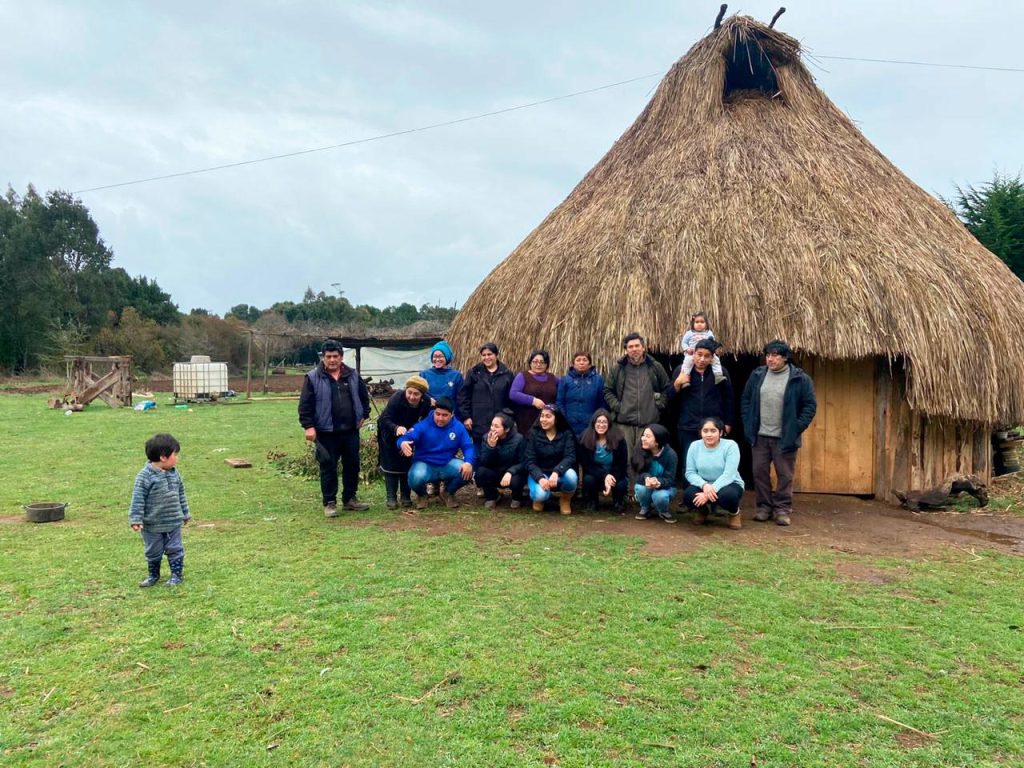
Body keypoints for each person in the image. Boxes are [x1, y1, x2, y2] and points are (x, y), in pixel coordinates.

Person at [740, 339, 817, 526]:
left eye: (774, 355)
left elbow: (809, 406)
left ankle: (782, 509)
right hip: (760, 435)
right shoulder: (757, 375)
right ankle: (764, 507)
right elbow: (746, 400)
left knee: (785, 475)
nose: (770, 359)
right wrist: (748, 423)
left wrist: (796, 427)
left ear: (785, 358)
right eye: (767, 355)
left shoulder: (799, 378)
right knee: (759, 473)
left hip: (785, 437)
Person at [298, 340, 371, 516]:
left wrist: (363, 415)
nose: (332, 360)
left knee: (352, 465)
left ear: (341, 357)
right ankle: (330, 502)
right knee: (328, 466)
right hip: (326, 431)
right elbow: (305, 405)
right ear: (323, 357)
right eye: (328, 356)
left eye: (335, 356)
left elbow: (364, 397)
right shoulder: (313, 377)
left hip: (350, 431)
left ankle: (350, 499)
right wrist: (308, 426)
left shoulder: (353, 375)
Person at [129, 433, 191, 587]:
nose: (177, 458)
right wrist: (136, 519)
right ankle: (153, 575)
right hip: (152, 525)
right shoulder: (144, 477)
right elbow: (138, 499)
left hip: (173, 523)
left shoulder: (175, 474)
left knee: (175, 549)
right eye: (175, 455)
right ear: (163, 457)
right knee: (153, 552)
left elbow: (181, 494)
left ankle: (176, 575)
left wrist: (185, 512)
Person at [604, 333, 670, 468]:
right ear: (626, 349)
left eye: (637, 346)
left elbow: (666, 388)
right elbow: (607, 390)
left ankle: (642, 487)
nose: (634, 349)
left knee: (644, 457)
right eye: (630, 346)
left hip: (648, 421)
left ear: (643, 347)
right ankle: (628, 488)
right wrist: (618, 407)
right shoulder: (618, 368)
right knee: (625, 457)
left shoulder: (655, 367)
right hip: (624, 422)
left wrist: (658, 405)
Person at [398, 397, 476, 509]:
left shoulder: (458, 427)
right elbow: (407, 436)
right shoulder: (424, 425)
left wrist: (468, 462)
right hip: (425, 464)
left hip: (446, 464)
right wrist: (402, 442)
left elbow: (468, 446)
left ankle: (448, 492)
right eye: (437, 414)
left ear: (452, 414)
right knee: (415, 477)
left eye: (444, 415)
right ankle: (422, 495)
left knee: (468, 470)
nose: (440, 418)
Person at [666, 338, 735, 463]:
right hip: (688, 426)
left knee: (713, 462)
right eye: (699, 355)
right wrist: (677, 383)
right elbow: (669, 398)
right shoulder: (681, 371)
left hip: (713, 426)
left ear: (712, 358)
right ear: (693, 354)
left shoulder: (720, 373)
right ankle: (689, 483)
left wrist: (728, 422)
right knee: (689, 462)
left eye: (707, 356)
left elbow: (729, 398)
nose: (702, 359)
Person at [377, 375, 431, 509]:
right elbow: (384, 419)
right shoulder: (396, 398)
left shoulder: (426, 402)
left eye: (416, 394)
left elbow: (425, 420)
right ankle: (391, 497)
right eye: (410, 393)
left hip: (409, 434)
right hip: (389, 432)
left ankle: (406, 496)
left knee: (407, 463)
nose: (412, 397)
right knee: (390, 465)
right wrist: (396, 428)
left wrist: (417, 429)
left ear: (422, 395)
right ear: (405, 390)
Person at [683, 417, 745, 529]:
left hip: (728, 484)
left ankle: (734, 513)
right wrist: (704, 485)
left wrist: (710, 491)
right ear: (700, 432)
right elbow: (690, 473)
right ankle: (702, 511)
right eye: (705, 431)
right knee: (688, 495)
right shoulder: (694, 446)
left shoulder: (731, 446)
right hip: (704, 484)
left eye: (713, 431)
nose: (709, 434)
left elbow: (729, 474)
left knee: (728, 496)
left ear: (721, 432)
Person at [458, 342, 516, 460]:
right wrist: (466, 416)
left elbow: (511, 400)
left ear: (496, 355)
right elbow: (463, 396)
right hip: (478, 420)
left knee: (498, 454)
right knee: (478, 453)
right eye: (483, 355)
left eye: (489, 354)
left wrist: (507, 418)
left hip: (499, 422)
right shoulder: (474, 373)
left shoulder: (507, 374)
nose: (486, 358)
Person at [524, 403, 578, 515]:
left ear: (556, 419)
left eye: (548, 416)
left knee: (572, 476)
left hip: (558, 474)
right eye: (542, 416)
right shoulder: (533, 434)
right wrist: (540, 478)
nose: (543, 419)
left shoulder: (566, 434)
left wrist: (557, 471)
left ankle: (565, 499)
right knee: (540, 495)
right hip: (539, 474)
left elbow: (570, 456)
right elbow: (529, 461)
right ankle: (539, 499)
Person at [577, 409, 628, 513]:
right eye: (598, 422)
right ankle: (592, 503)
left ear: (609, 424)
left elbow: (621, 465)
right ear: (593, 423)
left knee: (622, 482)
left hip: (614, 474)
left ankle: (619, 503)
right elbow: (587, 465)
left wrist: (610, 477)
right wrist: (605, 476)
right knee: (588, 479)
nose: (601, 425)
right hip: (595, 474)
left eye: (604, 422)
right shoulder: (585, 437)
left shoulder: (619, 438)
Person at [476, 412, 527, 509]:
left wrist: (510, 472)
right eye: (491, 425)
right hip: (495, 471)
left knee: (517, 479)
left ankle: (517, 497)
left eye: (496, 426)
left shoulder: (518, 439)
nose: (492, 429)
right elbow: (483, 462)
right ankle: (492, 496)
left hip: (512, 473)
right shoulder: (486, 437)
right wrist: (491, 447)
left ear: (506, 429)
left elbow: (523, 462)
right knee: (481, 472)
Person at [632, 424, 679, 523]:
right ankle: (645, 508)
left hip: (666, 487)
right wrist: (647, 478)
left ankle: (663, 511)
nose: (643, 439)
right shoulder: (639, 450)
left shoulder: (670, 455)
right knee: (640, 488)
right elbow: (638, 473)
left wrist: (658, 482)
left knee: (660, 496)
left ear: (658, 441)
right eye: (643, 435)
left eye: (648, 437)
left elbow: (670, 479)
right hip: (646, 485)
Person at [556, 352, 607, 438]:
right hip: (569, 425)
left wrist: (596, 421)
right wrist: (564, 420)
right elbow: (560, 402)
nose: (581, 362)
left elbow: (602, 403)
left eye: (585, 360)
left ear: (590, 364)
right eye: (578, 360)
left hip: (590, 426)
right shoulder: (565, 380)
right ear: (573, 364)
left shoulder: (598, 380)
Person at [510, 350, 560, 436]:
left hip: (547, 422)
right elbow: (513, 394)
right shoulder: (523, 376)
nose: (538, 364)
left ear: (547, 364)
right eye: (535, 361)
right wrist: (533, 401)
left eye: (542, 362)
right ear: (530, 362)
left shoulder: (553, 378)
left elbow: (562, 393)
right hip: (526, 421)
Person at [677, 311, 726, 386]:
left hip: (706, 353)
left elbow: (711, 342)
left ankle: (718, 375)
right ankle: (685, 379)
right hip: (692, 353)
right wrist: (687, 349)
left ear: (706, 323)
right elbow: (683, 343)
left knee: (715, 360)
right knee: (687, 363)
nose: (699, 324)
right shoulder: (689, 333)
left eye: (702, 322)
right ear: (693, 323)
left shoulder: (708, 333)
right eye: (697, 322)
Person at [421, 341, 463, 416]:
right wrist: (428, 399)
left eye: (440, 356)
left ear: (447, 357)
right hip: (428, 415)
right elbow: (419, 393)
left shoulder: (456, 376)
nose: (437, 359)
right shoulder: (424, 374)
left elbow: (461, 399)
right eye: (435, 356)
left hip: (450, 415)